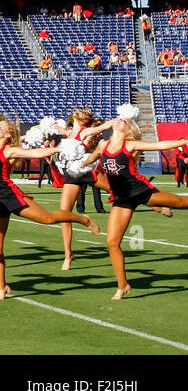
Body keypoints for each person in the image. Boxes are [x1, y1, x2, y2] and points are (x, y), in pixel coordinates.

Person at [0, 120, 100, 300]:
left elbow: (34, 152)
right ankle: (2, 287)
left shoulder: (8, 151)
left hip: (11, 197)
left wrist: (58, 149)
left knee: (49, 219)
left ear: (8, 135)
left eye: (2, 127)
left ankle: (84, 220)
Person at [80, 119, 188, 299]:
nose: (121, 119)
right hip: (121, 198)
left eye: (125, 121)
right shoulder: (103, 144)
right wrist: (82, 164)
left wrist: (184, 142)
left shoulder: (130, 144)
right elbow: (93, 157)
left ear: (128, 129)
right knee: (112, 242)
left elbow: (160, 145)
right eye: (120, 118)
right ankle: (123, 285)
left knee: (182, 202)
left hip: (139, 191)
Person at [56, 110, 115, 271]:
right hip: (72, 175)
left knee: (118, 190)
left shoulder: (86, 131)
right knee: (64, 214)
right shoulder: (69, 132)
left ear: (81, 120)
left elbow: (104, 126)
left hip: (87, 171)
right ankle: (68, 255)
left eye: (77, 113)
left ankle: (155, 204)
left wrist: (122, 118)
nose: (75, 112)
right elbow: (59, 129)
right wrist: (48, 126)